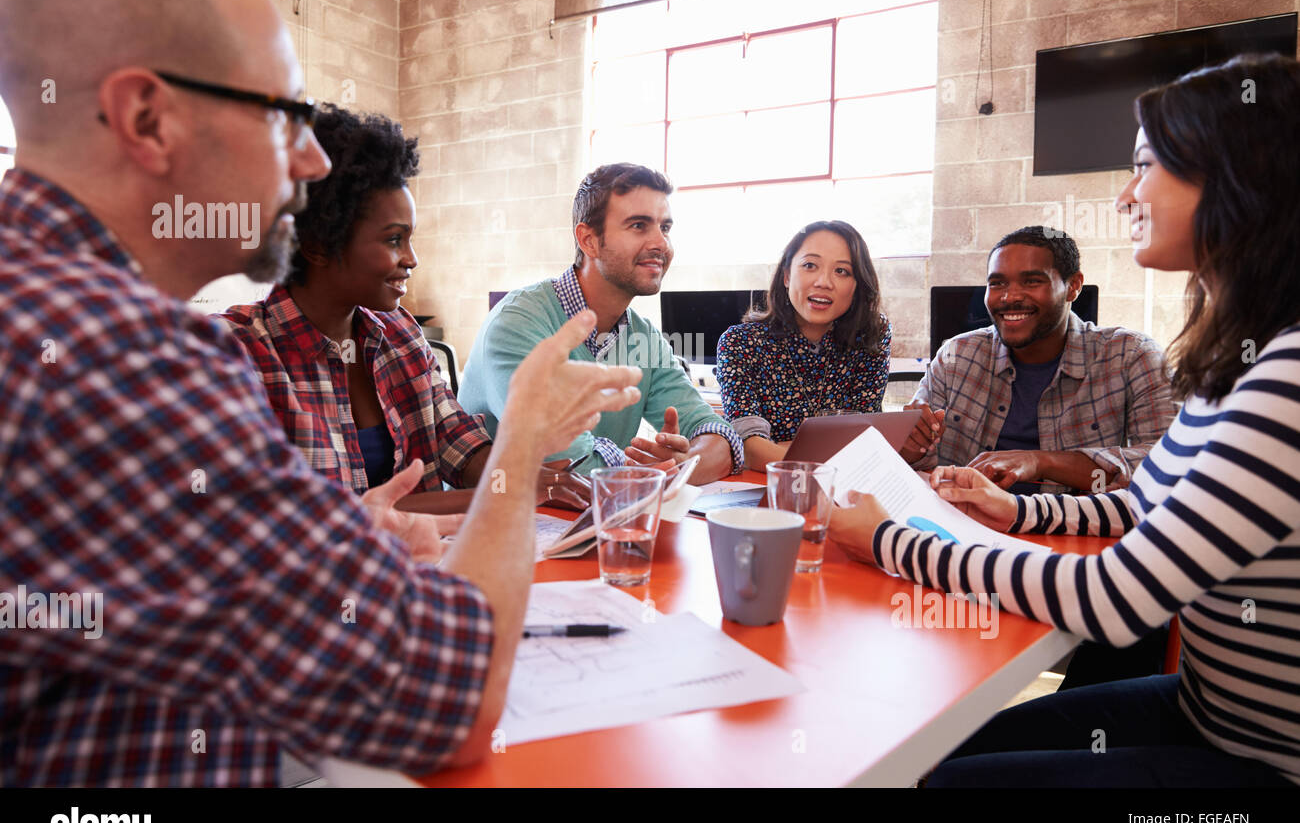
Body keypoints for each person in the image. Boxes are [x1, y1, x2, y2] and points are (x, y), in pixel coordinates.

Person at [0, 0, 641, 786]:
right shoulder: (135, 362)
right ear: (148, 118)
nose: (307, 159)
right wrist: (523, 438)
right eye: (284, 113)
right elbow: (446, 698)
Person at [830, 52, 1300, 787]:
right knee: (940, 749)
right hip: (1209, 710)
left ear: (1238, 177)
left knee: (951, 783)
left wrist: (891, 542)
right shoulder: (1235, 358)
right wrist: (1015, 510)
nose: (1125, 195)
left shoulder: (1288, 376)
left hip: (1265, 760)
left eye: (1147, 166)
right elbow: (1145, 505)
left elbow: (1114, 600)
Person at [218, 105, 587, 512]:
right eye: (394, 240)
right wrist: (502, 495)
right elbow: (300, 522)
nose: (411, 259)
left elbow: (456, 441)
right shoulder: (237, 353)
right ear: (318, 245)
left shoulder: (398, 331)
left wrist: (521, 477)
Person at [458, 162, 744, 483]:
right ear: (589, 240)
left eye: (665, 228)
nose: (660, 243)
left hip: (598, 520)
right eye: (638, 225)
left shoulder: (643, 336)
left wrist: (683, 462)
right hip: (491, 523)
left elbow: (720, 437)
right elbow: (565, 463)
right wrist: (659, 473)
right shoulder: (519, 322)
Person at [901, 226, 1176, 495]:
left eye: (1032, 281)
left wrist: (1040, 461)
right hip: (963, 523)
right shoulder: (955, 356)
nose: (1009, 297)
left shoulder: (1131, 355)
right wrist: (911, 447)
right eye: (997, 283)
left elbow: (1167, 468)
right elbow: (920, 466)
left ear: (1073, 287)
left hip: (1071, 531)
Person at [715, 219, 892, 470]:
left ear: (857, 285)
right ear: (787, 276)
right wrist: (823, 457)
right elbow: (748, 448)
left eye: (842, 271)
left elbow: (862, 440)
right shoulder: (740, 343)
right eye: (810, 265)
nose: (824, 282)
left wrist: (779, 448)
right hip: (764, 490)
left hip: (843, 489)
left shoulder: (873, 335)